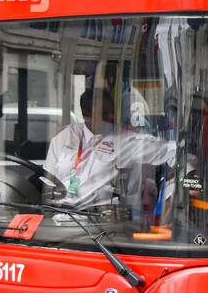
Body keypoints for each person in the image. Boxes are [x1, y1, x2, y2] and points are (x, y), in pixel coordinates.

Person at [45, 87, 176, 209]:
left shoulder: (122, 140)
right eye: (105, 114)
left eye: (112, 112)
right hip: (62, 217)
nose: (112, 118)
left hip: (102, 221)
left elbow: (167, 151)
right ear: (87, 116)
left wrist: (186, 171)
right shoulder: (63, 139)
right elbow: (48, 185)